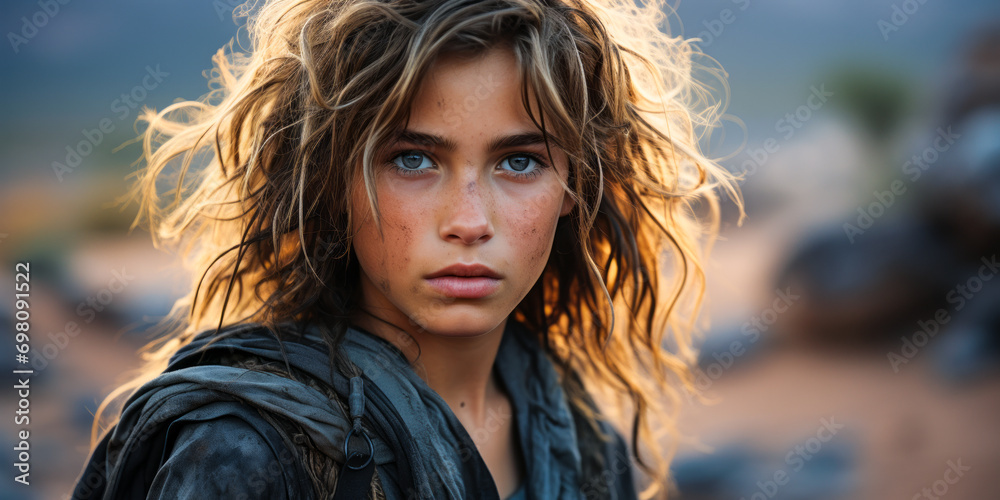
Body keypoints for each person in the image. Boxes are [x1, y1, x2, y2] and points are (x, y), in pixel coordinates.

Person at [70, 0, 742, 498]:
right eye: (414, 159)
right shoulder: (249, 454)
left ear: (575, 185)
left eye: (519, 163)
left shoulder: (579, 438)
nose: (469, 221)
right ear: (335, 181)